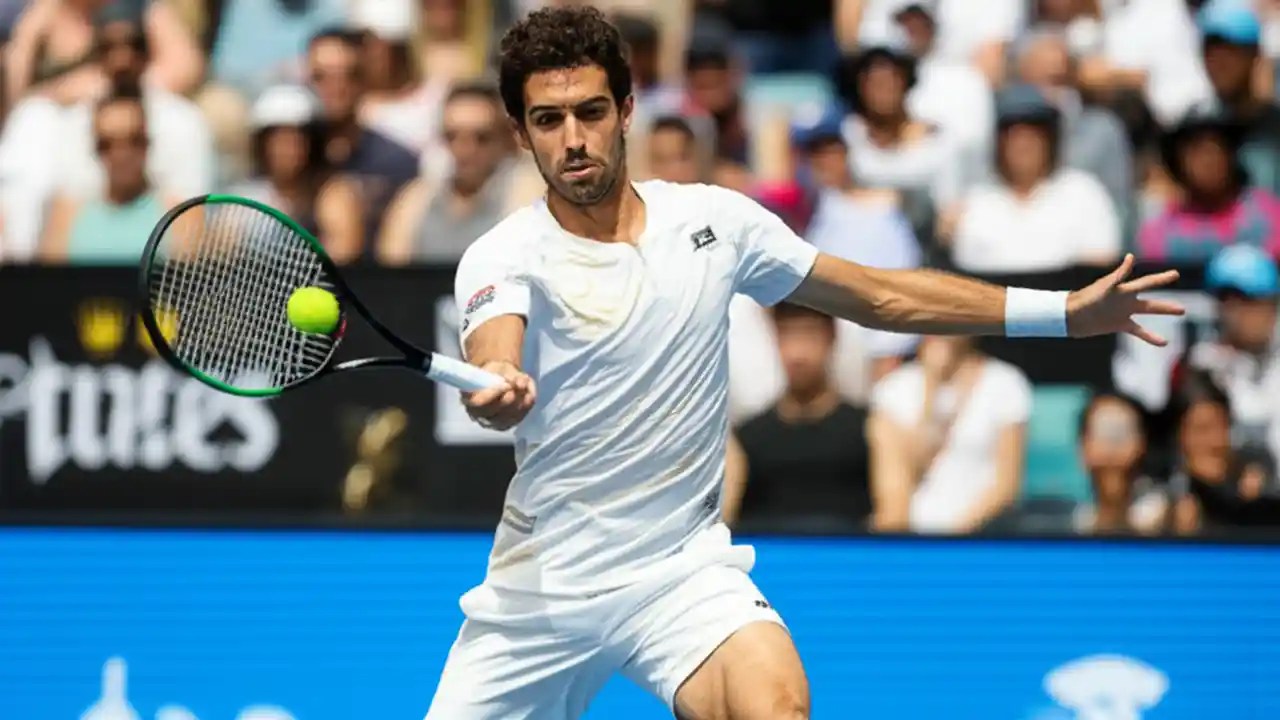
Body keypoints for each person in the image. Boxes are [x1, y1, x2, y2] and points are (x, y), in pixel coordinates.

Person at [438, 7, 1183, 719]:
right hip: (542, 590)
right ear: (519, 133)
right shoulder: (503, 254)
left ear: (627, 110)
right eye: (548, 119)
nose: (574, 138)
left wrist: (1062, 313)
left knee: (776, 704)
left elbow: (880, 296)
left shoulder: (715, 221)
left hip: (678, 572)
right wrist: (495, 388)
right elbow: (493, 347)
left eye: (591, 112)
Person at [724, 303, 872, 531]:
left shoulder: (872, 429)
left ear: (831, 337)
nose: (797, 353)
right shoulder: (746, 438)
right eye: (787, 334)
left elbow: (894, 517)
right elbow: (724, 518)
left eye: (809, 334)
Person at [866, 334, 1032, 533]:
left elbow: (1006, 486)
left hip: (981, 537)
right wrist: (931, 386)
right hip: (914, 540)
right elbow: (894, 488)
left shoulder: (1006, 384)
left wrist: (952, 539)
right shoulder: (893, 389)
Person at [949, 84, 1122, 273]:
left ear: (1051, 139)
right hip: (990, 299)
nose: (1023, 143)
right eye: (1013, 135)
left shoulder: (1084, 192)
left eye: (1034, 134)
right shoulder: (975, 202)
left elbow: (1101, 265)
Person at [377, 82, 531, 264]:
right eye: (452, 137)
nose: (465, 149)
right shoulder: (418, 197)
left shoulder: (524, 193)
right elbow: (391, 274)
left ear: (507, 139)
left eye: (481, 138)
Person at [306, 27, 419, 251]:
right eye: (321, 77)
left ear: (367, 80)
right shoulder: (286, 157)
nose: (336, 88)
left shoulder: (398, 161)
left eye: (349, 74)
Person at [231, 84, 363, 264]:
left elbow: (342, 262)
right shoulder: (243, 201)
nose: (288, 149)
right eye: (278, 139)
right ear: (262, 145)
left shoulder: (334, 196)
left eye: (297, 139)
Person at [38, 91, 175, 264]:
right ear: (95, 148)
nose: (121, 155)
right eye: (106, 144)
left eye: (134, 140)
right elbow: (49, 286)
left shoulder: (179, 214)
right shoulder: (66, 216)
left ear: (148, 143)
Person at [1137, 103, 1280, 263]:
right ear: (1177, 161)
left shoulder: (1270, 215)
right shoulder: (1158, 233)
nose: (1208, 159)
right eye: (1196, 149)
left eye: (1216, 147)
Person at [1178, 245, 1280, 463]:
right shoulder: (1203, 365)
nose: (1237, 314)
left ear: (1272, 303)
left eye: (1249, 300)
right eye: (1227, 301)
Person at [1074, 390, 1184, 535]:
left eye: (1121, 433)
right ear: (1083, 448)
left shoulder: (1169, 515)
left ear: (1141, 444)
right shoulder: (1074, 523)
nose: (1112, 449)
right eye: (1102, 432)